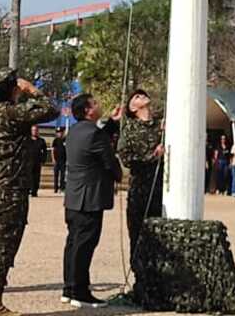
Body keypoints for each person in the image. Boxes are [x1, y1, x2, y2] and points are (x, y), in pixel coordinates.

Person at [0, 69, 57, 316]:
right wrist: (32, 89)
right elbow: (50, 109)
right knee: (4, 244)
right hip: (8, 187)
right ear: (12, 89)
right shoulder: (13, 113)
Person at [63, 91, 122, 308]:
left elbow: (97, 137)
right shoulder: (94, 134)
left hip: (74, 197)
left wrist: (113, 123)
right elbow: (108, 161)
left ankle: (69, 288)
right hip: (90, 198)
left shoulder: (76, 130)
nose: (98, 105)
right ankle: (80, 292)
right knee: (85, 245)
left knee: (73, 243)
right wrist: (118, 174)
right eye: (95, 103)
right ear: (88, 110)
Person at [117, 89, 163, 256]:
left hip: (162, 189)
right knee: (138, 237)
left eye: (143, 94)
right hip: (141, 190)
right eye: (136, 96)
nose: (142, 96)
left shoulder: (162, 125)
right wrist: (153, 156)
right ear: (132, 108)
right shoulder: (129, 129)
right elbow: (127, 159)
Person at [24, 125, 48, 197]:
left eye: (36, 130)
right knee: (29, 176)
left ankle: (35, 191)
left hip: (37, 162)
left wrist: (43, 159)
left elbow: (45, 151)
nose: (34, 132)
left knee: (36, 177)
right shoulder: (27, 140)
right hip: (29, 161)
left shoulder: (41, 141)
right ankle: (29, 190)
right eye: (33, 130)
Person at [52, 127, 67, 194]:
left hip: (63, 160)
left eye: (60, 132)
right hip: (56, 160)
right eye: (58, 132)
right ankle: (55, 188)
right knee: (56, 175)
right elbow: (53, 150)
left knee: (62, 175)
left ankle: (62, 188)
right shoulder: (55, 140)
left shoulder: (65, 140)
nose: (59, 134)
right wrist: (53, 159)